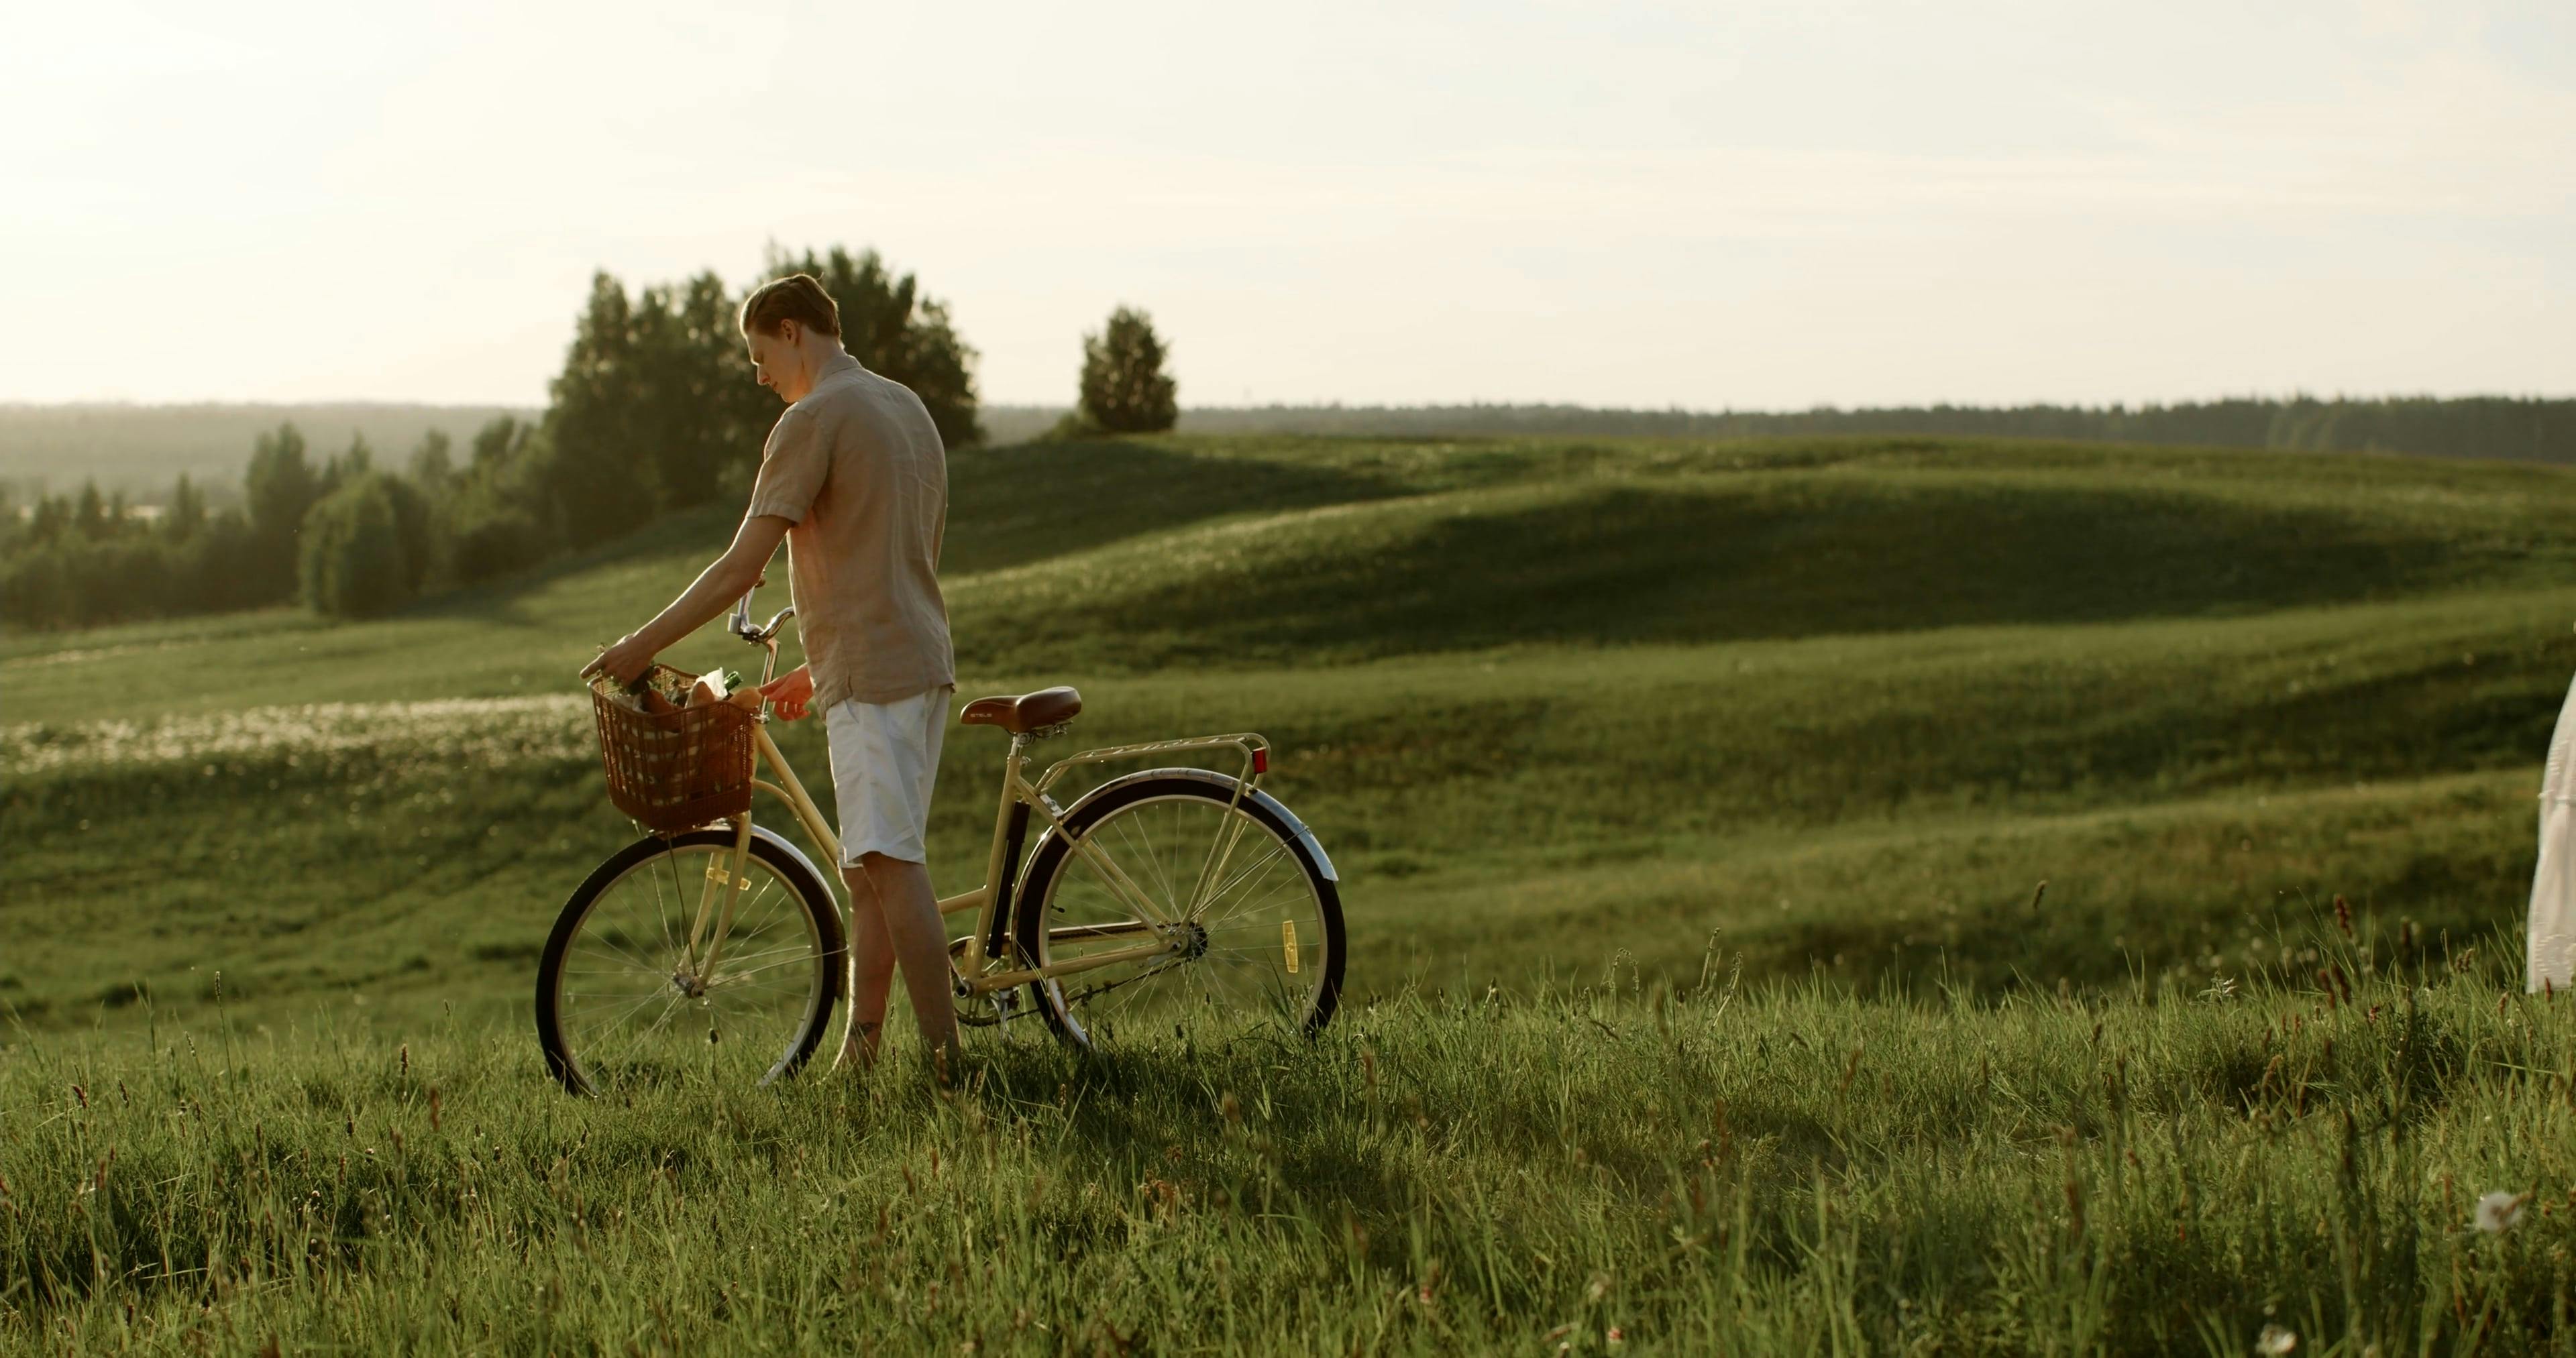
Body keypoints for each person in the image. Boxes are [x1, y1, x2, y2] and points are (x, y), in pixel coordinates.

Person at [580, 272, 962, 1078]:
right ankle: (860, 1056)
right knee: (867, 872)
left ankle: (948, 1066)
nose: (758, 376)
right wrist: (822, 673)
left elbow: (737, 571)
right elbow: (888, 552)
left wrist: (640, 646)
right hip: (921, 660)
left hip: (874, 675)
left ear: (793, 332)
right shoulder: (906, 409)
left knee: (892, 865)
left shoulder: (813, 417)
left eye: (759, 355)